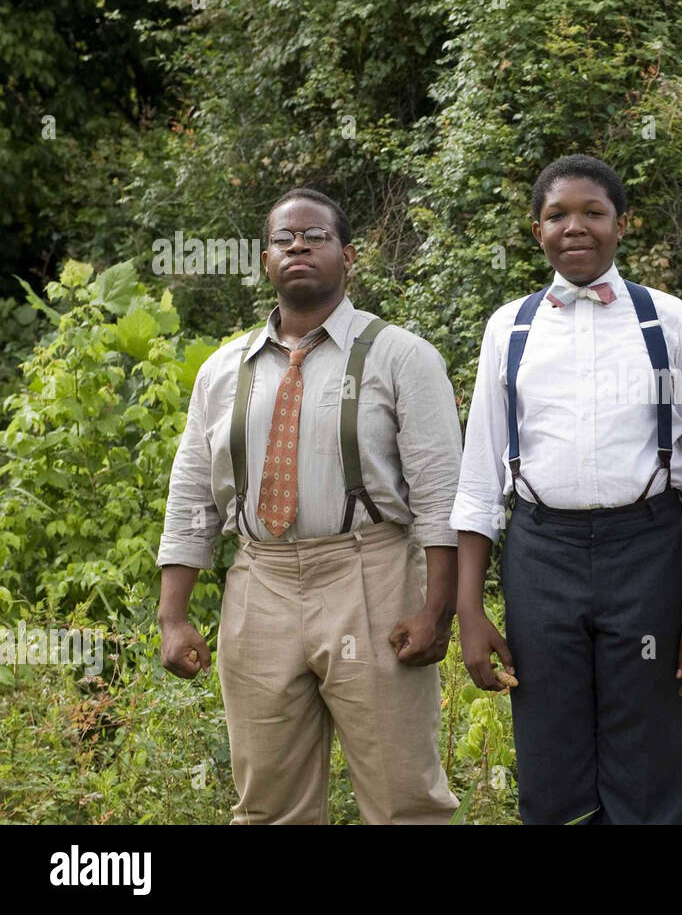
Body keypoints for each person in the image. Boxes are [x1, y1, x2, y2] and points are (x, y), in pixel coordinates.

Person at [156, 188, 462, 824]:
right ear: (265, 260)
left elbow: (439, 493)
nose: (298, 246)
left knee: (406, 798)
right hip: (258, 581)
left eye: (315, 236)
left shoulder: (402, 356)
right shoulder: (222, 370)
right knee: (267, 804)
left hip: (371, 576)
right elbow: (192, 494)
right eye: (283, 239)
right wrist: (173, 615)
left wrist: (437, 611)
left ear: (348, 256)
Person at [451, 155, 682, 825]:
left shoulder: (669, 322)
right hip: (542, 552)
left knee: (653, 743)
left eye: (593, 213)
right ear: (536, 228)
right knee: (550, 747)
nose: (575, 227)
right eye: (557, 214)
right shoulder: (509, 328)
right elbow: (480, 476)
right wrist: (469, 610)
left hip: (649, 548)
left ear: (622, 224)